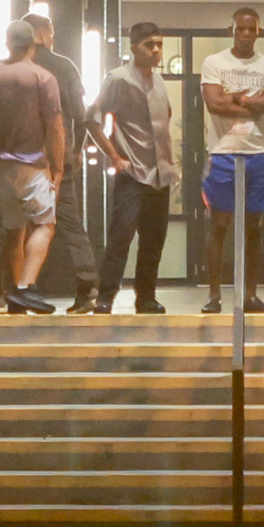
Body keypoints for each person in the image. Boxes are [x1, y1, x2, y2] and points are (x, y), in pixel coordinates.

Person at [0, 18, 66, 315]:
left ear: (7, 43)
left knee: (13, 231)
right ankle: (25, 287)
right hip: (33, 164)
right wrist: (58, 165)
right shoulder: (42, 77)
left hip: (0, 165)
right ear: (33, 44)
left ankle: (13, 294)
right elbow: (55, 127)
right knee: (44, 224)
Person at [87, 21, 178, 315]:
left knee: (154, 240)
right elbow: (92, 119)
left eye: (159, 44)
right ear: (133, 47)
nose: (155, 50)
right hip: (133, 172)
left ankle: (146, 297)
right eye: (149, 45)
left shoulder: (160, 80)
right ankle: (106, 297)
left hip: (161, 173)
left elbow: (165, 117)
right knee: (121, 237)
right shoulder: (119, 79)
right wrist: (114, 155)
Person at [198, 7, 264, 315]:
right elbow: (214, 103)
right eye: (241, 29)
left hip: (256, 154)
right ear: (232, 30)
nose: (246, 34)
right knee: (218, 225)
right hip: (223, 153)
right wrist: (256, 104)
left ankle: (250, 295)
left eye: (252, 29)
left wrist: (242, 99)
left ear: (259, 31)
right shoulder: (215, 62)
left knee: (254, 228)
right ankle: (214, 295)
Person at [25, 12, 101, 315]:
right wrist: (76, 149)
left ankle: (14, 290)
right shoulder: (64, 66)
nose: (54, 37)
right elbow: (79, 113)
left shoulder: (15, 67)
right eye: (52, 32)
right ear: (43, 33)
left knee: (16, 224)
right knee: (68, 220)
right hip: (59, 157)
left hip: (21, 156)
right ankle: (87, 285)